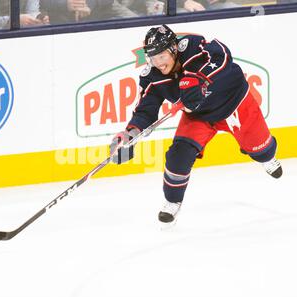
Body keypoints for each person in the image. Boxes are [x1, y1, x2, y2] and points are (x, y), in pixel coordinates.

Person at [110, 24, 282, 224]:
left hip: (235, 103)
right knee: (178, 156)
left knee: (262, 150)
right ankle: (173, 202)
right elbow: (145, 109)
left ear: (173, 49)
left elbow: (223, 55)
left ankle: (266, 158)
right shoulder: (152, 76)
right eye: (153, 58)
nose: (158, 64)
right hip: (199, 116)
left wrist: (199, 78)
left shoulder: (193, 46)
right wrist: (131, 133)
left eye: (162, 56)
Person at [40, 0, 114, 24]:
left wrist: (89, 3)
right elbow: (37, 3)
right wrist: (65, 4)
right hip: (58, 27)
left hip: (95, 26)